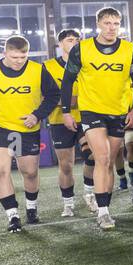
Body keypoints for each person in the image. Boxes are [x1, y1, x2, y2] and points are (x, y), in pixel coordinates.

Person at [57, 7, 133, 230]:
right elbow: (68, 81)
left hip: (118, 112)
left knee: (111, 161)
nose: (111, 28)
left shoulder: (130, 50)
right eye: (107, 23)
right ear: (98, 24)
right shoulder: (82, 49)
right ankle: (103, 213)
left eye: (116, 23)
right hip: (92, 111)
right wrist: (66, 111)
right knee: (103, 157)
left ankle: (105, 204)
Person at [0, 35, 60, 232]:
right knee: (1, 170)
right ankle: (13, 215)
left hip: (26, 130)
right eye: (14, 57)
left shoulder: (38, 70)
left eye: (23, 56)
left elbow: (53, 95)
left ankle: (31, 207)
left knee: (30, 172)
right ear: (4, 54)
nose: (19, 61)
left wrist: (37, 115)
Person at [43, 29, 87, 217]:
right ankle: (68, 203)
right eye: (70, 40)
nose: (75, 43)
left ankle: (90, 193)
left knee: (92, 157)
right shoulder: (48, 66)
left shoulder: (86, 64)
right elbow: (47, 97)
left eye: (77, 40)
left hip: (86, 118)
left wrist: (68, 99)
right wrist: (73, 100)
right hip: (59, 120)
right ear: (60, 44)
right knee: (66, 165)